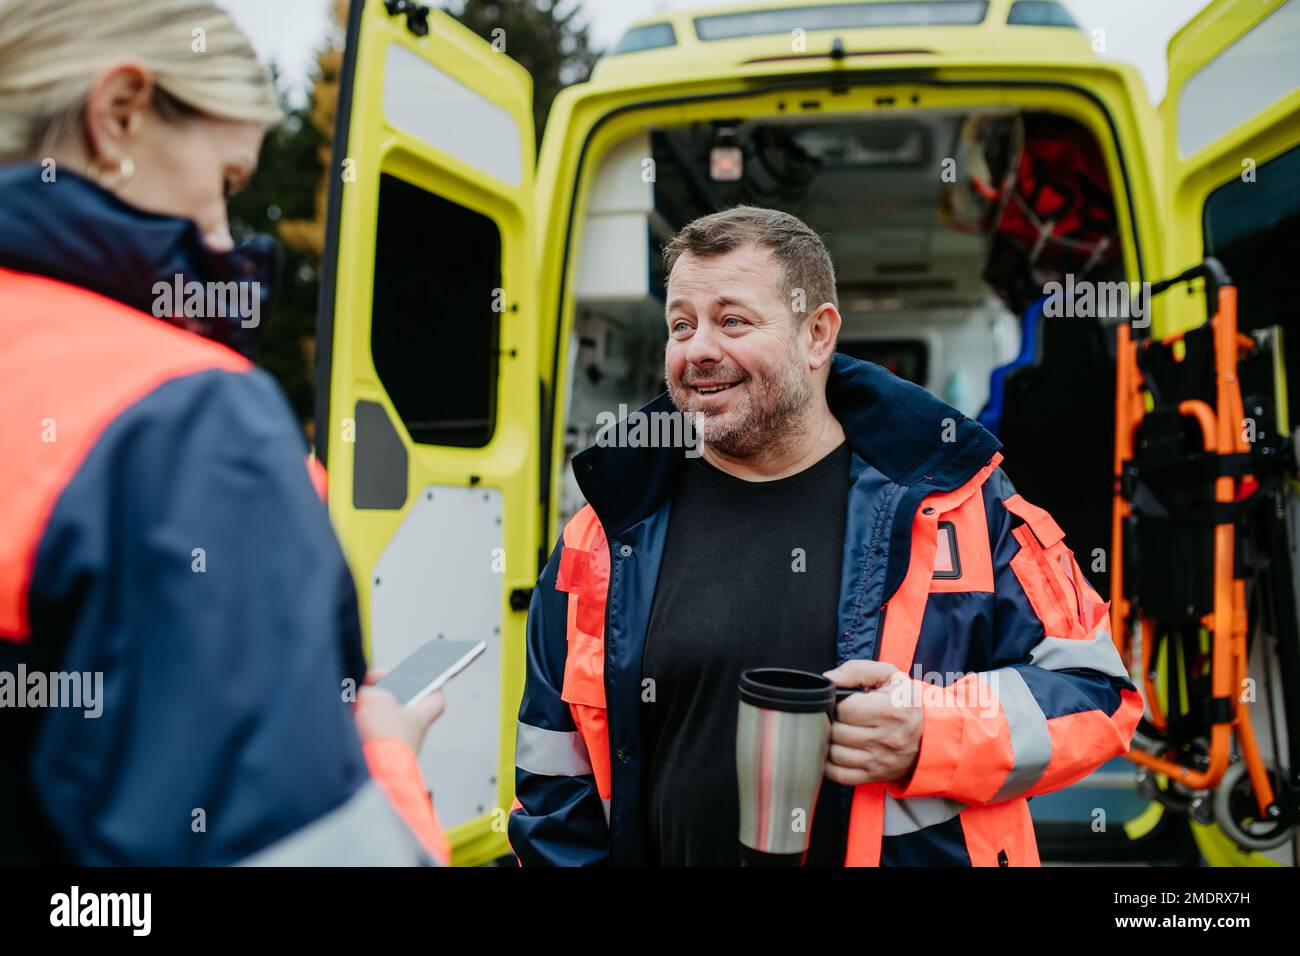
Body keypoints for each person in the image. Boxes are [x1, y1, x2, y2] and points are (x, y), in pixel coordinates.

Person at [508, 205, 1143, 866]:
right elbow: (556, 784)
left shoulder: (960, 507)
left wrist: (933, 731)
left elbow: (1096, 695)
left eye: (732, 320)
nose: (697, 349)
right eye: (680, 325)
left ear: (817, 335)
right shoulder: (602, 536)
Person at [0, 0, 446, 865]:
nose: (221, 234)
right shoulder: (179, 420)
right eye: (228, 180)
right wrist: (380, 755)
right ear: (120, 111)